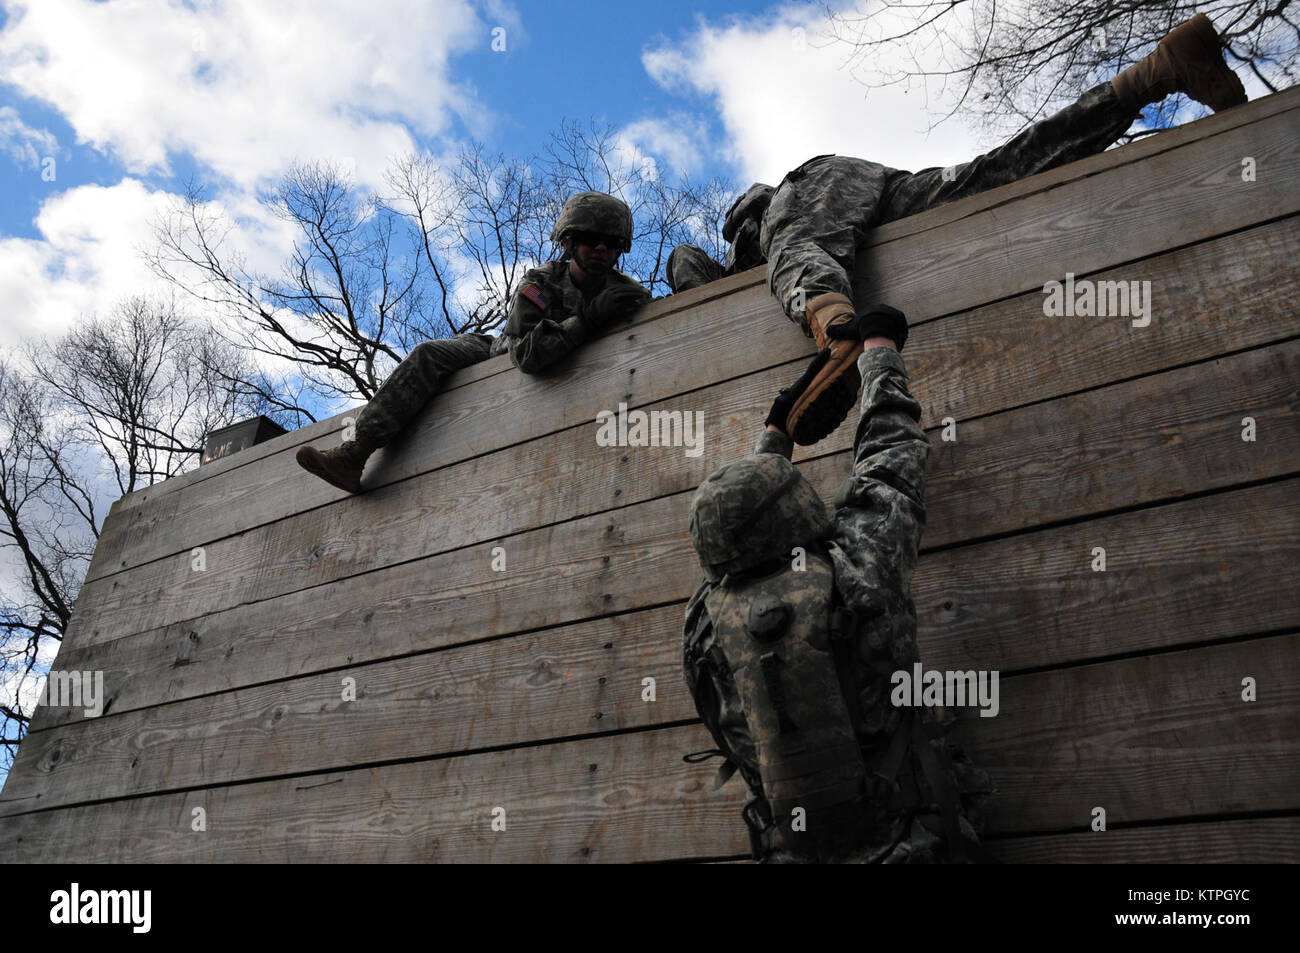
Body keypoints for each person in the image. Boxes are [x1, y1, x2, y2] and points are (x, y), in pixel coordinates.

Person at [669, 13, 1247, 446]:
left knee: (798, 249)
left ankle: (839, 335)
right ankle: (1157, 72)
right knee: (997, 173)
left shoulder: (764, 228)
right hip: (872, 189)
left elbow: (707, 261)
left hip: (812, 189)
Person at [682, 305, 993, 863]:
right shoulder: (853, 567)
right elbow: (891, 455)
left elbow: (740, 529)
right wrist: (879, 350)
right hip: (909, 848)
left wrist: (776, 431)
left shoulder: (703, 626)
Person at [295, 191, 651, 492]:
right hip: (500, 350)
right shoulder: (540, 282)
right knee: (428, 355)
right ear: (568, 242)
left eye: (612, 243)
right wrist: (587, 320)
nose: (602, 249)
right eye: (591, 240)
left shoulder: (627, 294)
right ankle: (355, 452)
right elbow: (524, 355)